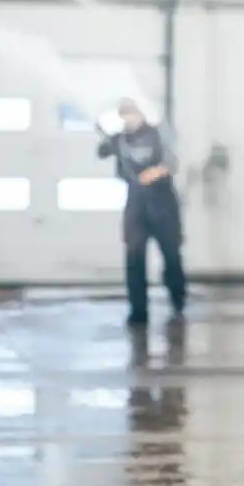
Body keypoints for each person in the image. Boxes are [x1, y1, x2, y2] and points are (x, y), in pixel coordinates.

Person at [96, 98, 187, 325]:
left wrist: (154, 173)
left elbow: (172, 162)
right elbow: (102, 151)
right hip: (136, 204)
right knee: (134, 257)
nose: (129, 118)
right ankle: (138, 310)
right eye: (124, 114)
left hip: (163, 202)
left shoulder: (158, 135)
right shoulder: (120, 139)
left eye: (132, 113)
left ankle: (177, 300)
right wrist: (103, 133)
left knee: (171, 255)